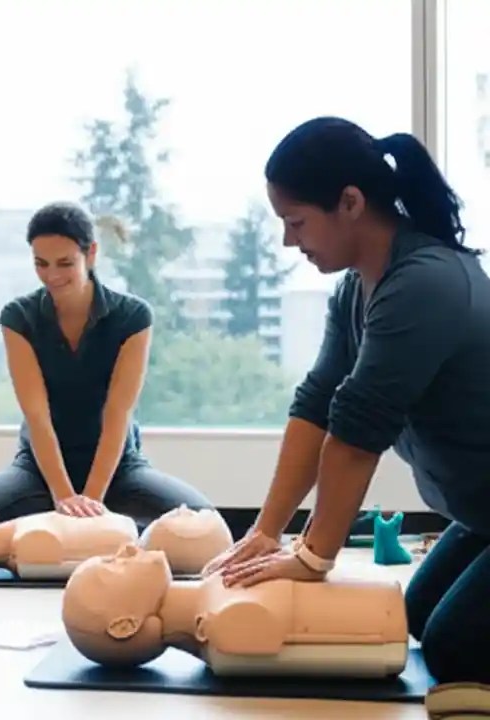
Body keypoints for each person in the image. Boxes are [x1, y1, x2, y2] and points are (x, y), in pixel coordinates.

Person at [201, 116, 490, 690]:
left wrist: (313, 558)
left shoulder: (424, 283)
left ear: (351, 202)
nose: (289, 241)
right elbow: (317, 404)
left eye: (296, 222)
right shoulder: (357, 288)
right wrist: (267, 531)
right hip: (479, 514)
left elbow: (358, 431)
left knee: (456, 649)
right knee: (418, 617)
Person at [0, 201, 212, 526]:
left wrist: (91, 501)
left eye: (65, 263)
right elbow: (37, 415)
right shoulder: (18, 317)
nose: (51, 275)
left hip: (119, 469)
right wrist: (64, 497)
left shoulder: (133, 317)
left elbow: (117, 412)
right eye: (41, 263)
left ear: (90, 253)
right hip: (38, 470)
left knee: (207, 526)